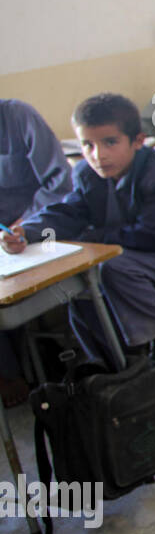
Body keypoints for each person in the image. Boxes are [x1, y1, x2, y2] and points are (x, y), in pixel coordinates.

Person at [2, 93, 155, 369]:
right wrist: (27, 231)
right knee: (81, 276)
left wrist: (93, 240)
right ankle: (109, 358)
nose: (98, 155)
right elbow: (69, 211)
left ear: (138, 141)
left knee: (110, 265)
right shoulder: (87, 174)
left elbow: (151, 237)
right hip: (133, 255)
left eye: (110, 142)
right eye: (87, 145)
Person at [0, 98, 75, 404]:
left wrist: (23, 225)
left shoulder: (18, 116)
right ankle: (12, 372)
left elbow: (60, 183)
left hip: (39, 231)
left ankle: (11, 375)